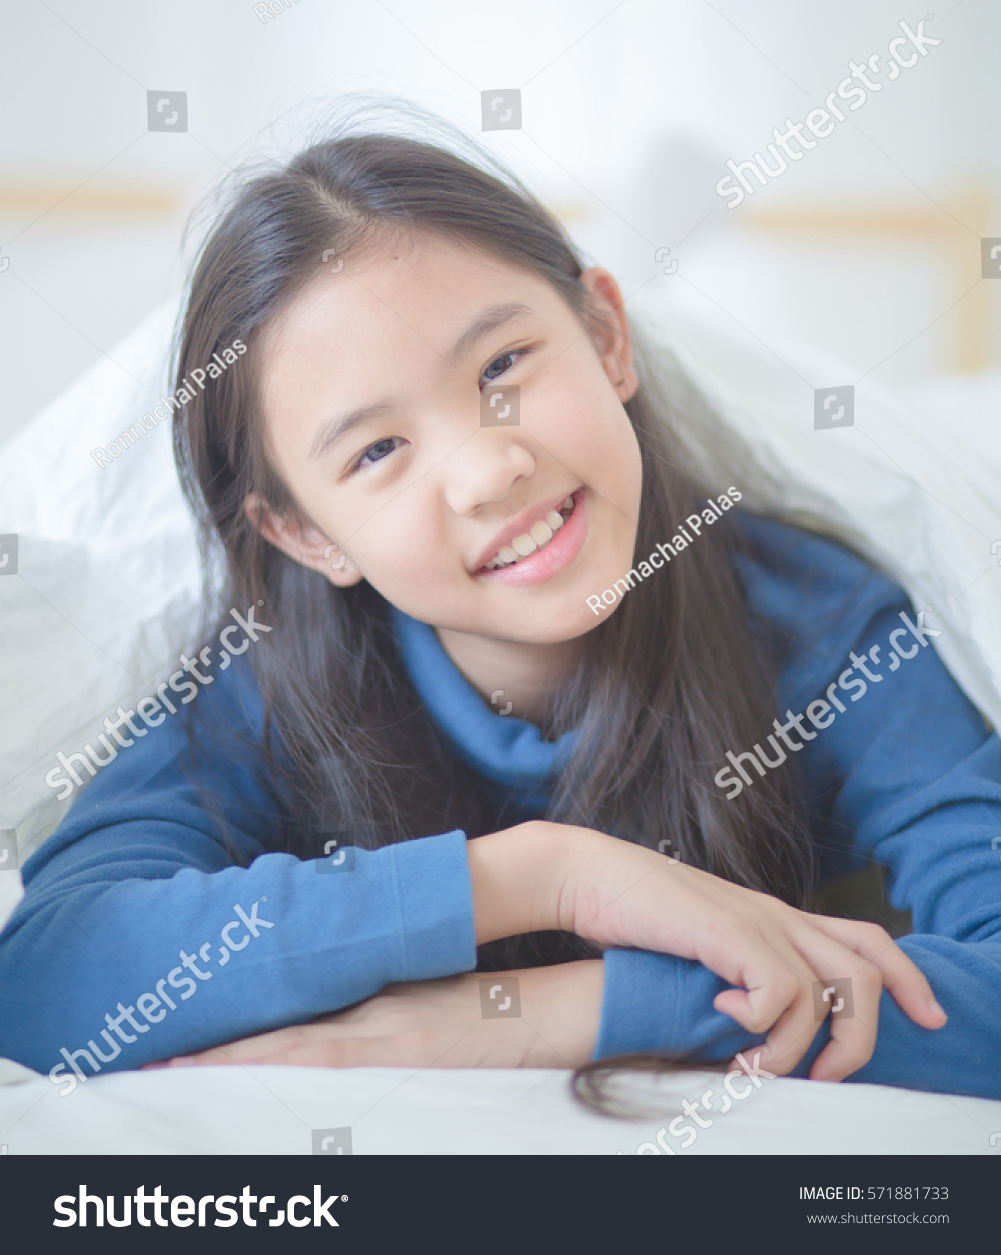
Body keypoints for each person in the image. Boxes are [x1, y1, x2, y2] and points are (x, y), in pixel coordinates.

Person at [3, 114, 999, 1104]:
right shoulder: (261, 692)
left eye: (500, 369)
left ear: (606, 337)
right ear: (307, 536)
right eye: (376, 451)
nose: (487, 471)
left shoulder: (819, 626)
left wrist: (551, 1011)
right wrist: (542, 876)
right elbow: (41, 978)